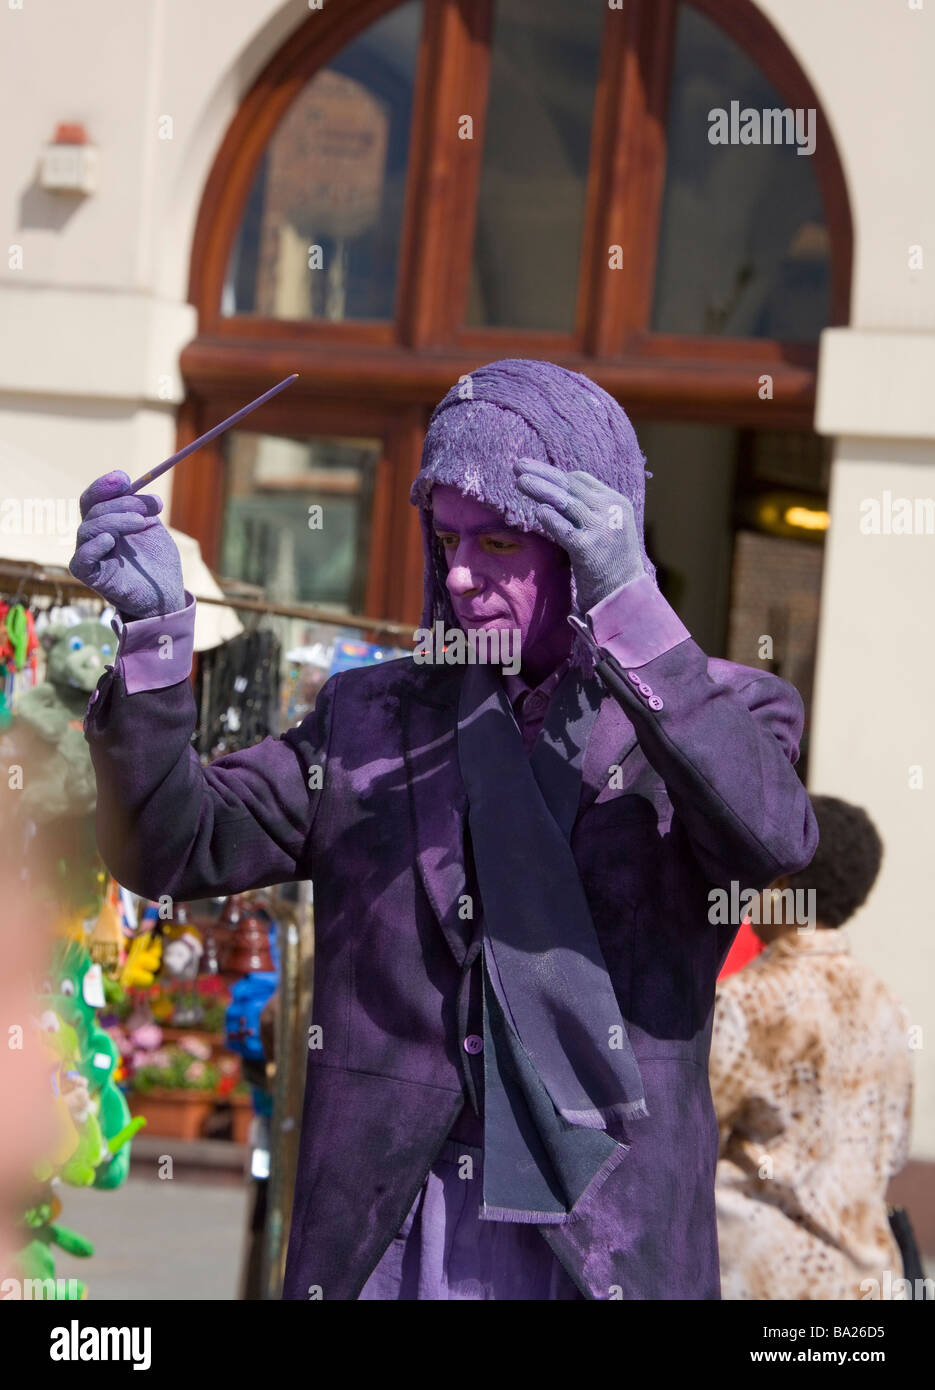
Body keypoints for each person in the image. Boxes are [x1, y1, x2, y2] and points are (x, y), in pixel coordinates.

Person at [70, 358, 817, 1300]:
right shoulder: (372, 715)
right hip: (391, 1231)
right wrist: (153, 636)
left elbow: (772, 842)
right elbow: (170, 845)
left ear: (589, 542)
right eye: (447, 538)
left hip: (605, 1240)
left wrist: (635, 614)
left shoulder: (727, 710)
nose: (461, 576)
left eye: (501, 543)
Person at [709, 795, 913, 1300]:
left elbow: (692, 1147)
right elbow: (893, 1154)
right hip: (866, 1283)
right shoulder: (888, 1006)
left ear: (782, 883)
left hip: (763, 1280)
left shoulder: (745, 1003)